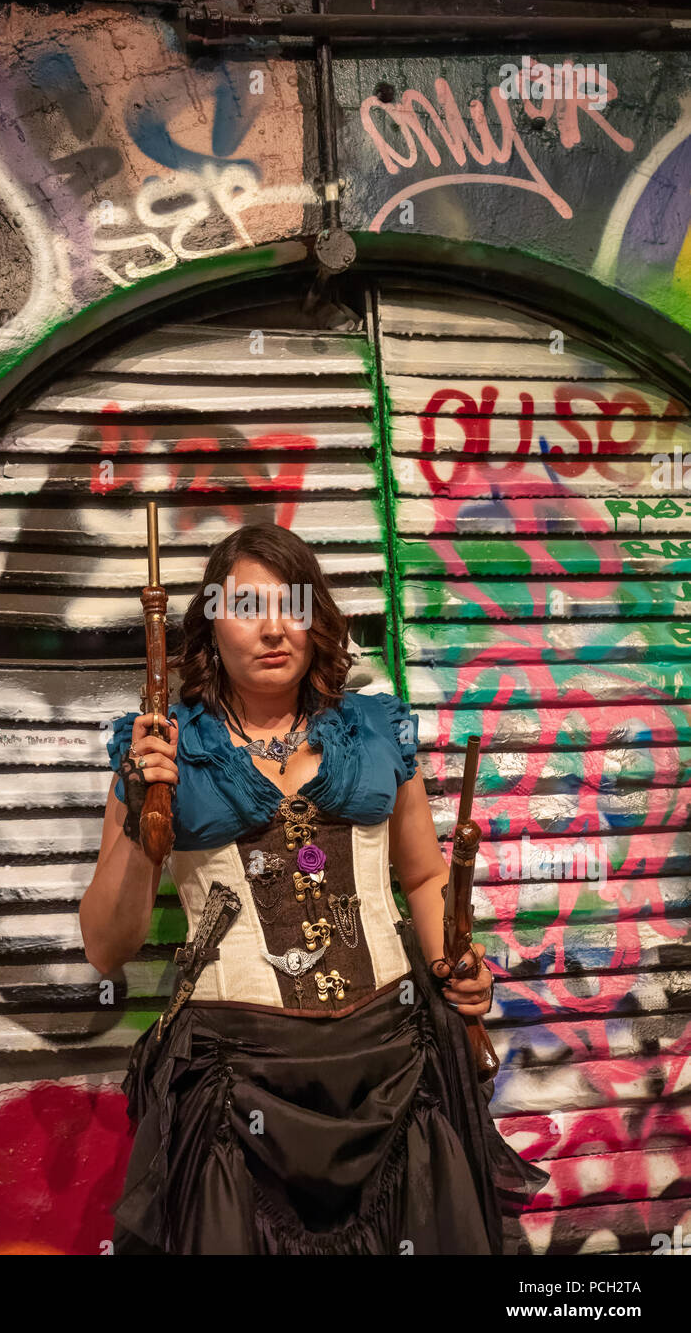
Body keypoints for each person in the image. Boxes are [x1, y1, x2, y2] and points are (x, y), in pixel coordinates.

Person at [81, 524, 548, 1255]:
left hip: (395, 1071)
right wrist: (146, 820)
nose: (273, 628)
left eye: (292, 604)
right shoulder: (160, 748)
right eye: (246, 606)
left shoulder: (375, 730)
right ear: (208, 630)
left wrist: (454, 965)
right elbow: (108, 947)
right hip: (237, 1084)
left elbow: (423, 875)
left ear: (317, 619)